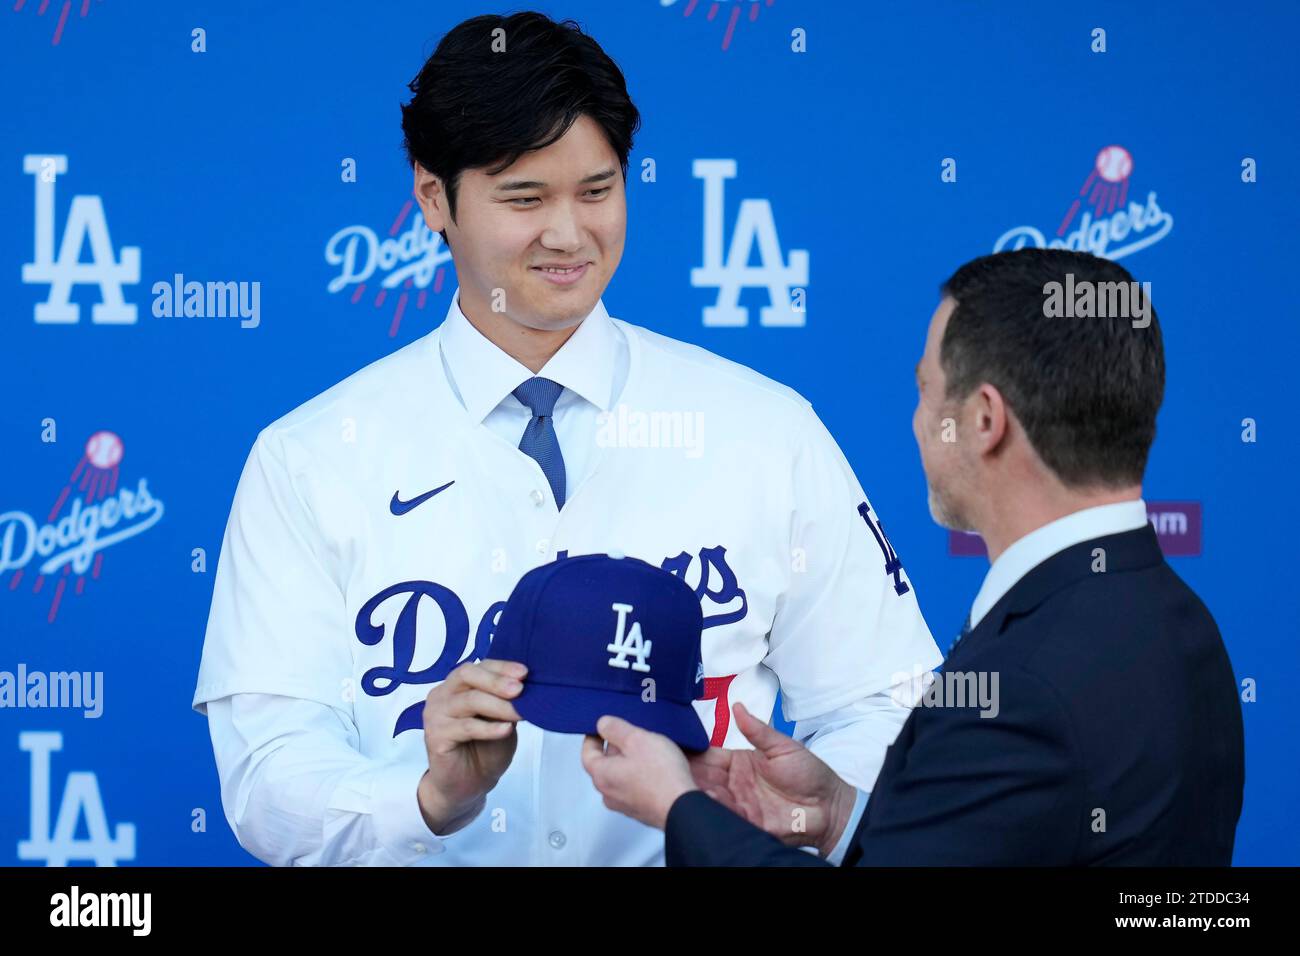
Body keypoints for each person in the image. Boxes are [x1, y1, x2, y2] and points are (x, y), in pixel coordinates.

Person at [190, 11, 941, 866]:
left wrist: (785, 820)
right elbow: (266, 770)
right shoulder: (310, 457)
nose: (569, 234)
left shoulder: (764, 428)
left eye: (597, 191)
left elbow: (890, 704)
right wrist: (429, 798)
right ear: (434, 196)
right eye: (524, 198)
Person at [584, 248, 1246, 866]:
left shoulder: (1017, 691)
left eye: (927, 390)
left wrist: (680, 809)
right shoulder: (1185, 626)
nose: (916, 421)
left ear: (984, 421)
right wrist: (839, 812)